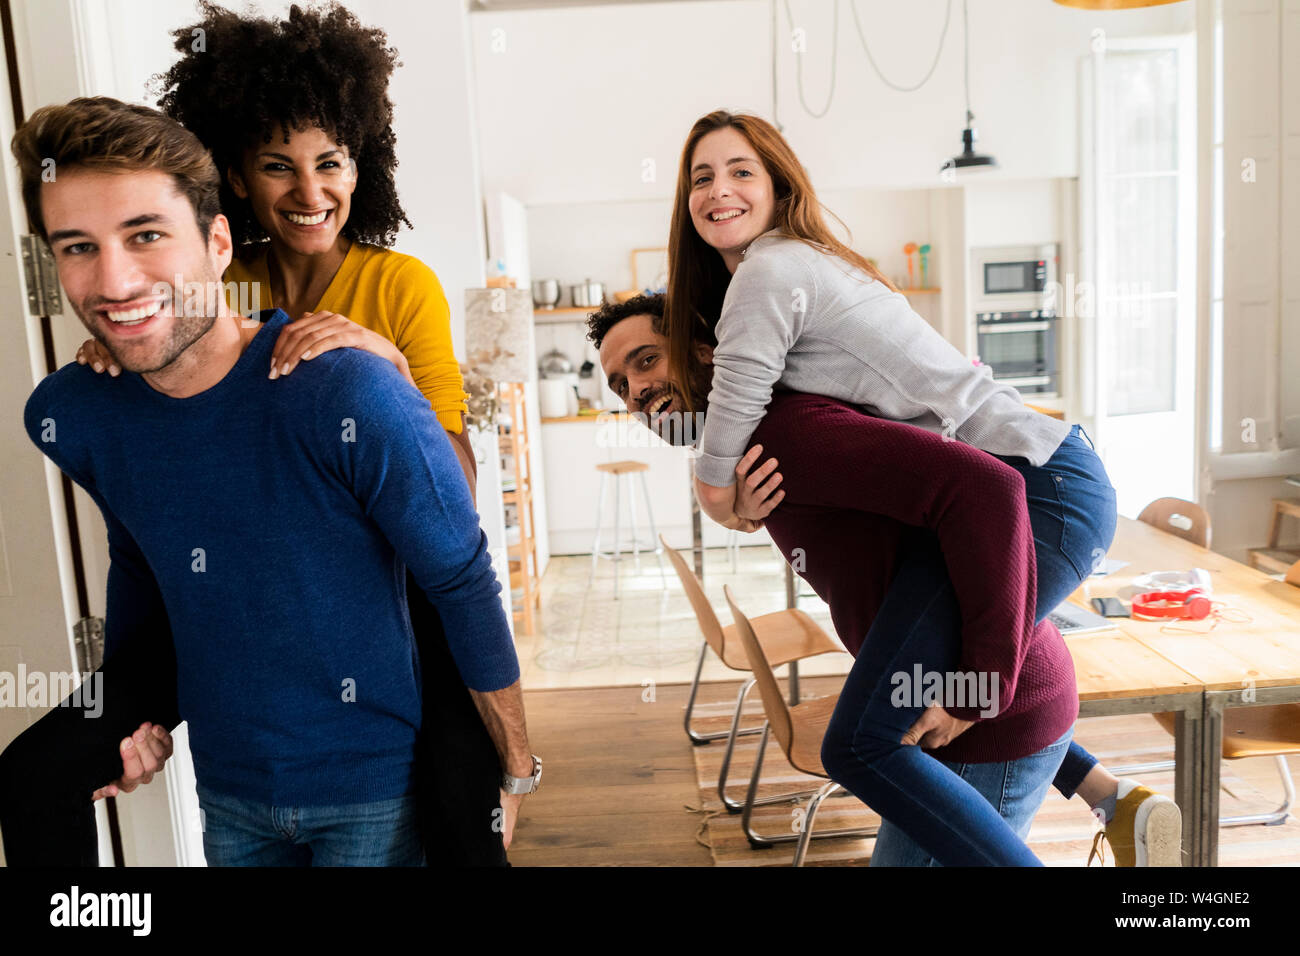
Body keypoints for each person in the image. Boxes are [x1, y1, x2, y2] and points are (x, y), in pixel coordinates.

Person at [2, 96, 538, 866]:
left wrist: (514, 765)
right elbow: (143, 558)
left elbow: (457, 565)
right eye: (78, 247)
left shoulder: (355, 373)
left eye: (145, 235)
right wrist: (130, 713)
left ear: (215, 241)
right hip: (231, 789)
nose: (114, 279)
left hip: (375, 787)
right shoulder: (76, 413)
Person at [591, 293, 1182, 867]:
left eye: (647, 360)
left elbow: (988, 489)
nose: (637, 391)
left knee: (853, 747)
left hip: (988, 724)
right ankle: (1111, 796)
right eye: (621, 386)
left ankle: (1108, 795)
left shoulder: (786, 434)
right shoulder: (758, 448)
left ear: (706, 350)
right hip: (967, 704)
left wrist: (972, 693)